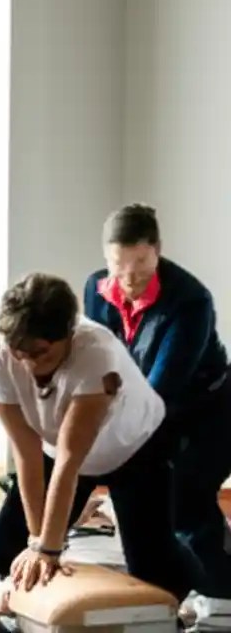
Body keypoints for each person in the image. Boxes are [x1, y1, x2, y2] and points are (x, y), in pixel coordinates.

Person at [0, 272, 199, 600]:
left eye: (41, 353)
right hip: (56, 445)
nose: (29, 365)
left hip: (135, 445)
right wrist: (37, 541)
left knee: (153, 568)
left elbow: (70, 460)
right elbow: (26, 451)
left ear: (68, 335)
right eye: (20, 353)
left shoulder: (96, 353)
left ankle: (204, 575)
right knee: (8, 549)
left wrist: (49, 549)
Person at [83, 203, 231, 599]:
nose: (129, 277)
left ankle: (219, 594)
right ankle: (172, 587)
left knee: (187, 498)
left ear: (158, 251)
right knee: (152, 502)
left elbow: (162, 386)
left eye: (141, 263)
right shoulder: (95, 288)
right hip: (148, 406)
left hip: (208, 409)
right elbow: (97, 359)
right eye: (119, 265)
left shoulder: (190, 300)